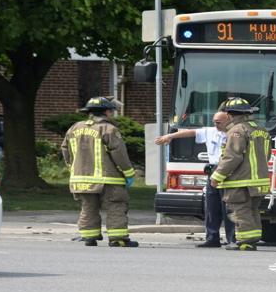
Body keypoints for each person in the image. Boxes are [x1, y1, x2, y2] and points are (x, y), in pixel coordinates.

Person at [60, 96, 139, 247]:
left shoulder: (75, 128)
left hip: (81, 179)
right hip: (109, 180)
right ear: (107, 112)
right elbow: (119, 153)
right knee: (116, 205)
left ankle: (89, 236)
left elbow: (65, 149)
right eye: (112, 111)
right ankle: (118, 239)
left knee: (88, 207)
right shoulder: (109, 129)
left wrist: (73, 166)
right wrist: (129, 173)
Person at [155, 109, 237, 248]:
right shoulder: (210, 132)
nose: (216, 124)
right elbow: (191, 132)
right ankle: (212, 238)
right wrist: (170, 136)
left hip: (228, 172)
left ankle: (232, 239)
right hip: (213, 171)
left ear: (228, 120)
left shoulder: (235, 134)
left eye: (219, 122)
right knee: (211, 206)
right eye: (214, 122)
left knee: (228, 207)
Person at [210, 98, 272, 251]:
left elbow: (232, 156)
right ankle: (253, 238)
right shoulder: (261, 130)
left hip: (241, 181)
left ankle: (245, 241)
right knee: (252, 210)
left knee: (240, 210)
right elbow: (267, 155)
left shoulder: (237, 130)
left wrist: (217, 176)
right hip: (260, 181)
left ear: (230, 115)